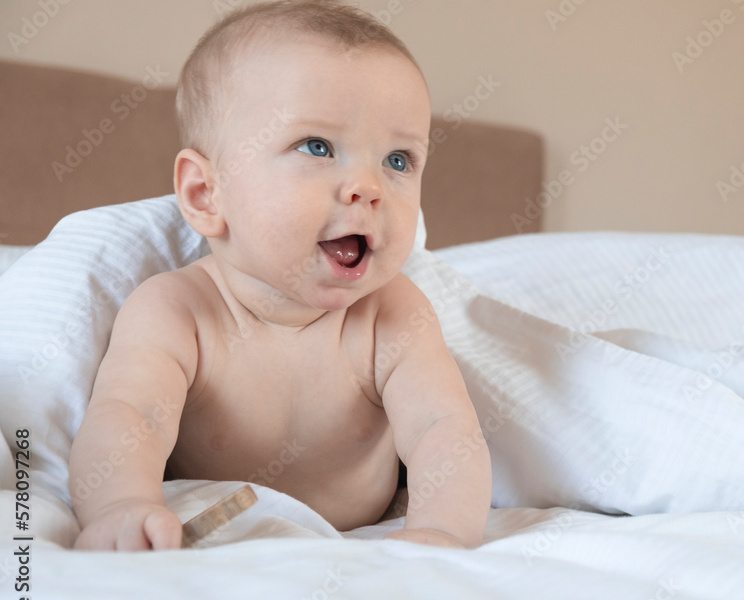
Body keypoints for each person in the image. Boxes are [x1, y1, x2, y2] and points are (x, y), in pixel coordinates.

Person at [68, 0, 492, 551]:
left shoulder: (392, 314)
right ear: (206, 194)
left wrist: (440, 533)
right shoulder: (178, 311)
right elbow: (131, 417)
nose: (369, 185)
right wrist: (123, 505)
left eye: (398, 160)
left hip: (361, 535)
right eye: (317, 146)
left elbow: (444, 431)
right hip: (221, 541)